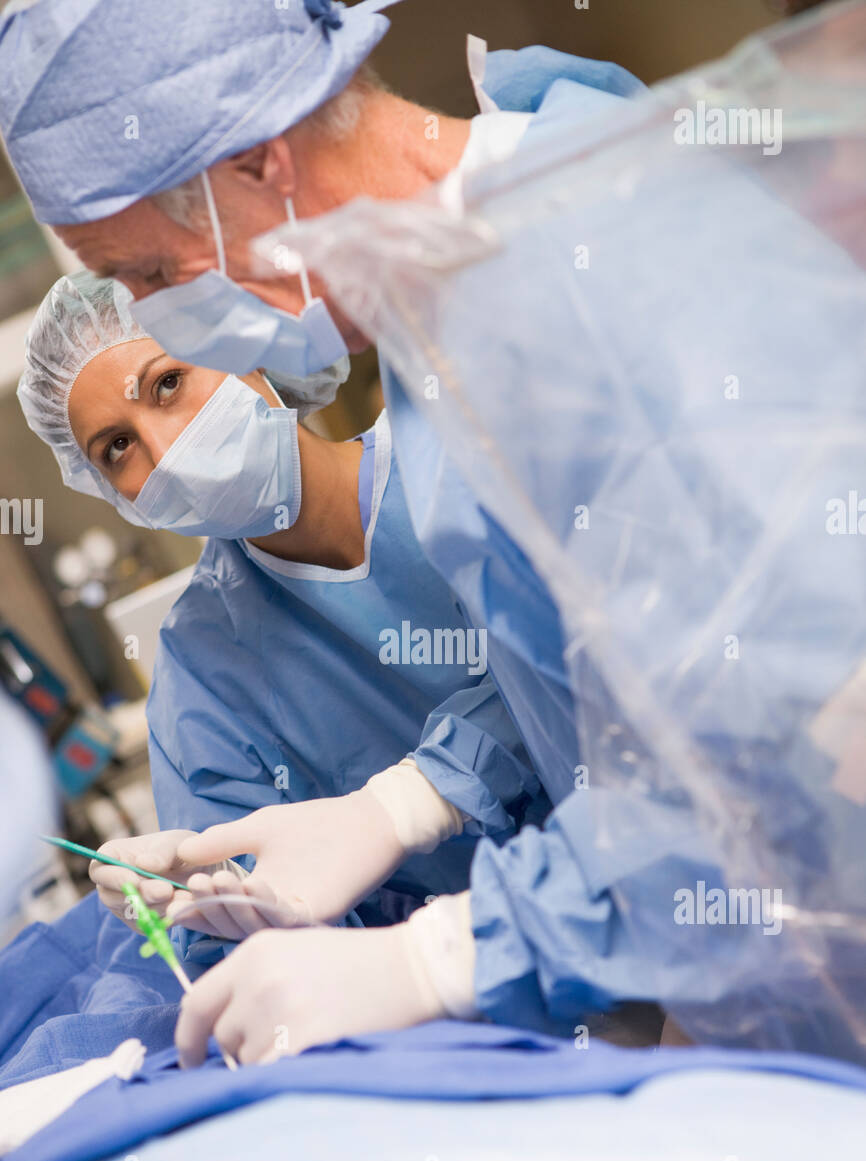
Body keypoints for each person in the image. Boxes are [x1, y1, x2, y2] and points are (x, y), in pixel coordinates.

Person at [3, 0, 857, 1064]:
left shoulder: (592, 265)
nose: (155, 315)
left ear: (259, 167)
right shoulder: (448, 329)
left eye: (152, 277)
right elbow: (611, 687)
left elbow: (785, 754)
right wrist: (405, 803)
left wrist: (443, 955)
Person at [18, 271, 549, 970]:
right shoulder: (203, 666)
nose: (162, 445)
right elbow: (264, 958)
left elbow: (592, 661)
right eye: (116, 447)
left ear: (246, 346)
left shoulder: (461, 460)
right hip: (481, 993)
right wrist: (214, 903)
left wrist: (411, 800)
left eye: (167, 384)